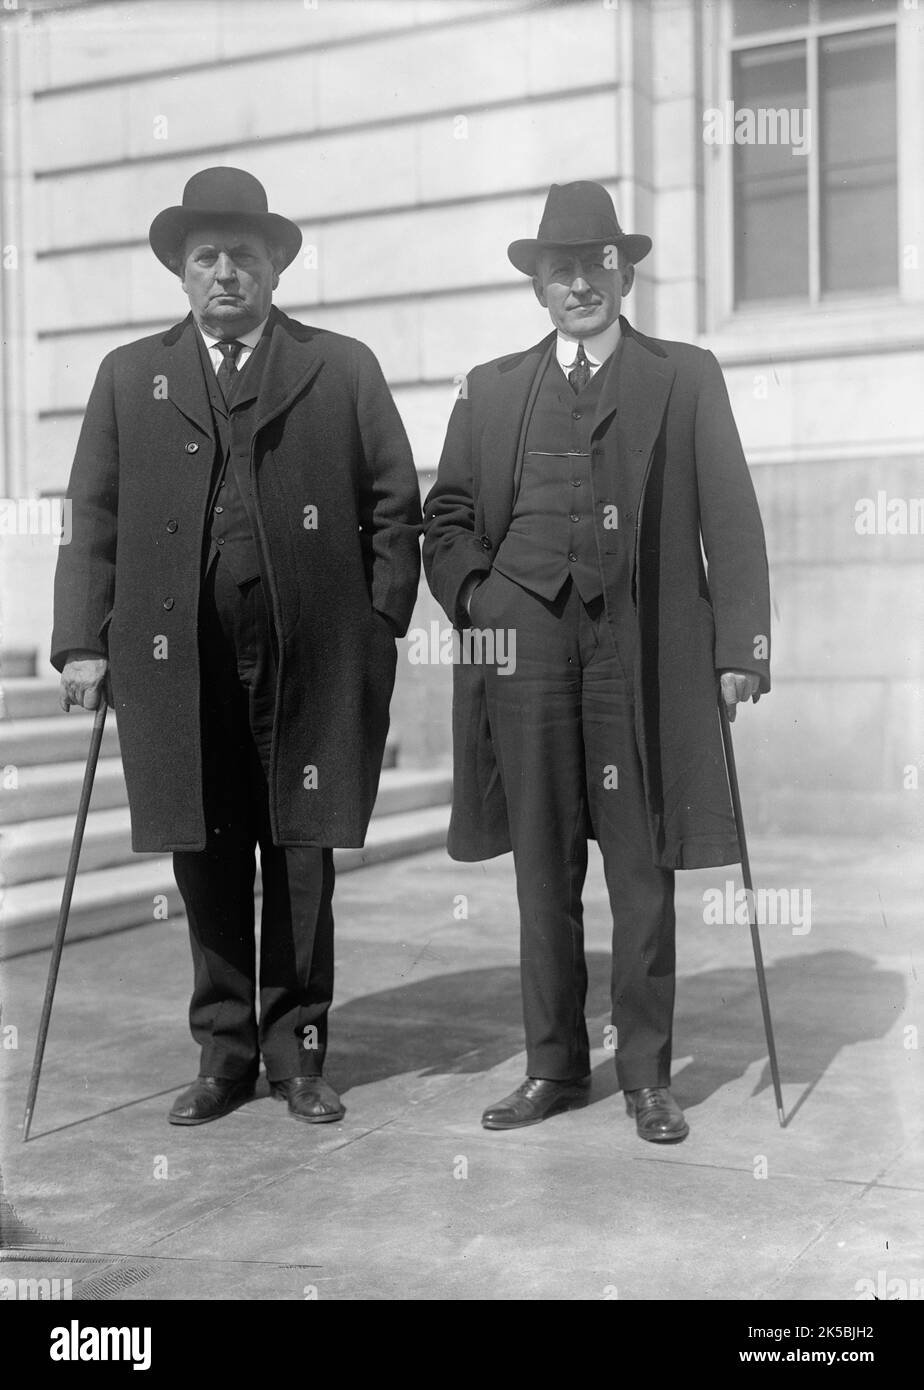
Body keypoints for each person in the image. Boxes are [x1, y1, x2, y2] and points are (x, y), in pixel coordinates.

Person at [52, 167, 422, 1127]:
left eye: (244, 257)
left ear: (275, 268)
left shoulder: (339, 366)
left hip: (309, 657)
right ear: (181, 272)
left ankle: (297, 1055)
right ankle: (223, 1055)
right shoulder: (131, 375)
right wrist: (80, 644)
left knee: (301, 853)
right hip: (177, 663)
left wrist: (377, 625)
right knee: (204, 854)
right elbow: (91, 513)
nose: (226, 273)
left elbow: (395, 503)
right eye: (207, 257)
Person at [423, 181, 770, 1142]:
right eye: (559, 269)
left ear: (625, 272)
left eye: (596, 264)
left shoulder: (685, 375)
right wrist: (483, 602)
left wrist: (741, 646)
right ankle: (552, 1067)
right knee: (542, 863)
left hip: (641, 649)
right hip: (525, 647)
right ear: (538, 285)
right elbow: (443, 520)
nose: (579, 283)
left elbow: (731, 521)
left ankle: (647, 1074)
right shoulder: (491, 389)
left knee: (642, 866)